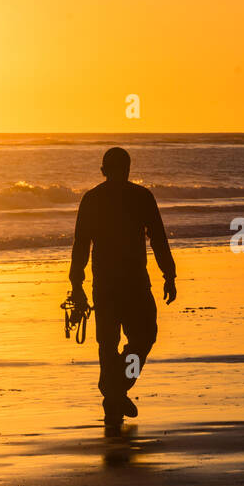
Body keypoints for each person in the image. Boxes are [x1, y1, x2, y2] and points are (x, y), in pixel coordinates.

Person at [69, 147, 176, 434]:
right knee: (143, 337)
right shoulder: (140, 197)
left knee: (110, 342)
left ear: (104, 169)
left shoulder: (93, 199)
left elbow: (81, 245)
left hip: (107, 283)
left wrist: (76, 283)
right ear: (126, 167)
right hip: (132, 282)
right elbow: (159, 239)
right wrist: (169, 274)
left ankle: (113, 392)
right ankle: (117, 390)